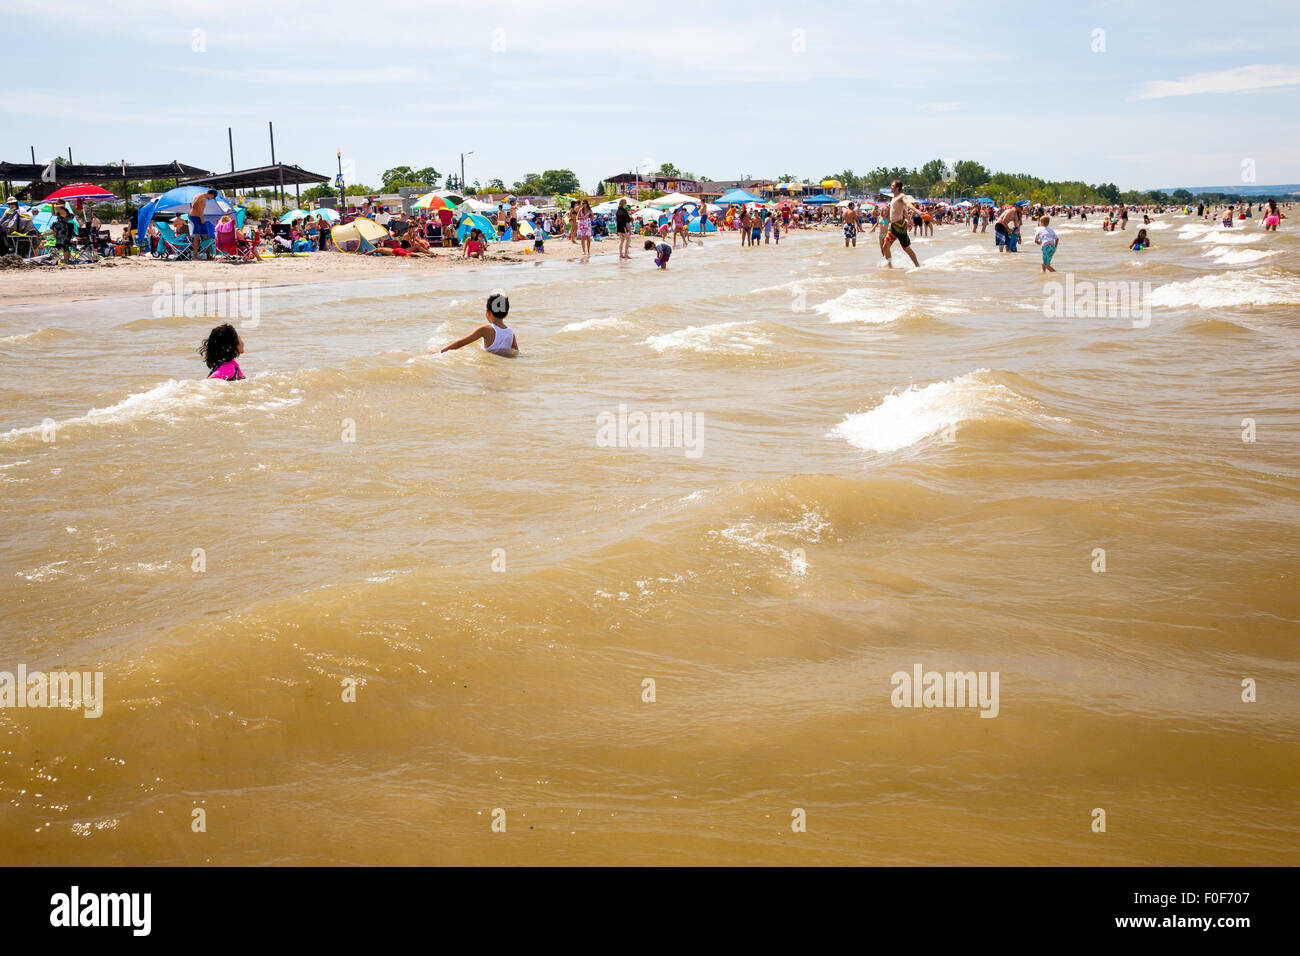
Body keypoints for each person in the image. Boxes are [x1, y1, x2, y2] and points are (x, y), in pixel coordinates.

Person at [438, 293, 519, 356]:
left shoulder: (485, 329)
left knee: (466, 348)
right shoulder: (510, 332)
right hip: (503, 365)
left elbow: (461, 343)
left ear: (487, 312)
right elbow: (516, 352)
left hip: (488, 365)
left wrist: (441, 351)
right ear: (506, 314)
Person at [882, 180, 922, 268]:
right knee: (885, 246)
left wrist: (917, 211)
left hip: (900, 227)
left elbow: (908, 204)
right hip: (893, 227)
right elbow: (903, 211)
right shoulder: (893, 198)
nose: (890, 187)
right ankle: (890, 266)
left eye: (892, 186)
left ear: (897, 188)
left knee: (906, 248)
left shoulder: (901, 196)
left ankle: (917, 266)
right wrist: (911, 222)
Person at [189, 188, 217, 260]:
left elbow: (193, 205)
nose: (211, 199)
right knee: (197, 237)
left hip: (193, 216)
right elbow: (200, 210)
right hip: (196, 217)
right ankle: (195, 256)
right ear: (211, 194)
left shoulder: (199, 195)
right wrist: (202, 218)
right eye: (213, 197)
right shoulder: (203, 199)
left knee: (206, 236)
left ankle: (208, 255)